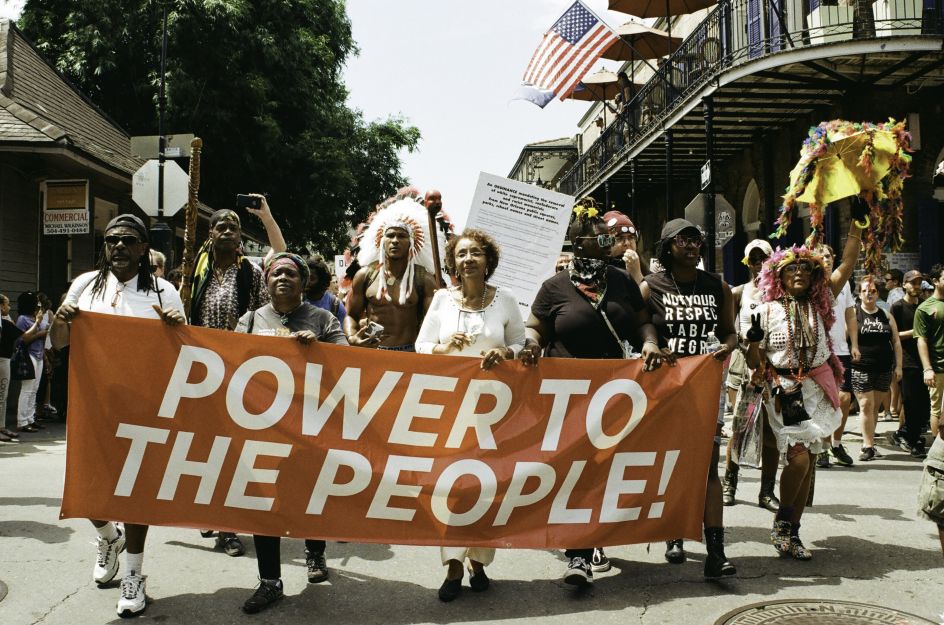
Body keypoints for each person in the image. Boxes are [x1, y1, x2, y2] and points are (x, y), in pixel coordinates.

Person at [517, 202, 661, 588]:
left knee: (603, 468)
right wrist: (531, 344)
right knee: (576, 470)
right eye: (595, 239)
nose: (603, 244)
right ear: (578, 243)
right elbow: (536, 327)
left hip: (613, 393)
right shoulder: (554, 287)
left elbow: (643, 323)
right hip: (566, 396)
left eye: (606, 238)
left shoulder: (621, 282)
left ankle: (592, 539)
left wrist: (649, 344)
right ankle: (579, 552)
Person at [50, 213, 186, 618]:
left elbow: (185, 354)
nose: (119, 247)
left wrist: (176, 329)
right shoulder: (84, 285)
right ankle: (109, 536)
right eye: (112, 240)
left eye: (128, 240)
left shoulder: (163, 291)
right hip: (93, 403)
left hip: (143, 406)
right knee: (86, 485)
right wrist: (60, 321)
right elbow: (59, 343)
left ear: (143, 248)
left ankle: (133, 574)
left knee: (136, 493)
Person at [415, 229, 526, 602]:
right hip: (449, 409)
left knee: (486, 486)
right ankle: (452, 565)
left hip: (495, 411)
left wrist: (506, 354)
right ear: (453, 263)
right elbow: (421, 346)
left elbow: (520, 343)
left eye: (475, 252)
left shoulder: (505, 299)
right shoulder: (442, 300)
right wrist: (444, 347)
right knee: (450, 486)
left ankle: (479, 560)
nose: (468, 259)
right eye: (461, 254)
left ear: (487, 260)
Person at [234, 253, 348, 614]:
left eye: (291, 273)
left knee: (310, 494)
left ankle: (315, 552)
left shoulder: (323, 319)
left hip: (311, 426)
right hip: (263, 428)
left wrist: (320, 349)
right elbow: (229, 361)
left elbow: (350, 363)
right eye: (276, 273)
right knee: (263, 501)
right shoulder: (250, 320)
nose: (283, 278)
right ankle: (270, 581)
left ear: (304, 282)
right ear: (266, 281)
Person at [641, 218, 737, 579]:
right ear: (667, 247)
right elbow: (639, 326)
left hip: (704, 387)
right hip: (665, 390)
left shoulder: (717, 286)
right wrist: (652, 343)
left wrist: (725, 348)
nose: (693, 245)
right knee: (671, 464)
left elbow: (729, 333)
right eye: (683, 240)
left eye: (696, 240)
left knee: (708, 467)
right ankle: (673, 533)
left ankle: (716, 552)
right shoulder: (651, 286)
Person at [188, 198, 284, 557]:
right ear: (210, 233)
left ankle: (228, 528)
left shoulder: (251, 273)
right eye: (221, 226)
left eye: (233, 227)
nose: (228, 231)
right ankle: (210, 512)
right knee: (207, 448)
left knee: (234, 450)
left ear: (240, 236)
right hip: (202, 372)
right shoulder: (194, 271)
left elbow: (264, 316)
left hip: (240, 373)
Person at [744, 246, 846, 561]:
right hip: (785, 389)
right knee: (799, 460)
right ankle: (782, 522)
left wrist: (858, 229)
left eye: (805, 269)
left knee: (810, 463)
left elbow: (847, 265)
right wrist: (753, 342)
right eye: (791, 269)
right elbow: (754, 362)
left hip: (818, 387)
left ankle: (794, 532)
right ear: (779, 276)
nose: (799, 273)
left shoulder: (821, 302)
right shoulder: (765, 309)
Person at [722, 239, 781, 512]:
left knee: (771, 432)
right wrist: (746, 348)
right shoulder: (739, 292)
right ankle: (729, 484)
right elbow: (728, 331)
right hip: (744, 366)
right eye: (754, 259)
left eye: (763, 259)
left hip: (775, 366)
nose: (759, 264)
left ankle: (766, 491)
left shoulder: (780, 293)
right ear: (747, 263)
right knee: (740, 426)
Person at [345, 199, 438, 351]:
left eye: (402, 236)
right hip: (373, 352)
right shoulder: (365, 275)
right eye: (390, 235)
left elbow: (435, 323)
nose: (395, 241)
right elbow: (351, 316)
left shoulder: (424, 279)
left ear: (411, 242)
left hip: (410, 353)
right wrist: (352, 337)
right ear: (382, 240)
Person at [851, 276, 903, 462]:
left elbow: (896, 342)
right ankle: (867, 446)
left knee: (874, 408)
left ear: (878, 293)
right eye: (865, 290)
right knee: (866, 405)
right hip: (861, 367)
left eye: (872, 291)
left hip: (883, 368)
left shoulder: (886, 315)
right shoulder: (854, 314)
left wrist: (899, 366)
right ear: (859, 294)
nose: (869, 294)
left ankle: (870, 443)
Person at [890, 270, 930, 458]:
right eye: (913, 283)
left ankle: (904, 433)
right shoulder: (897, 307)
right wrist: (915, 332)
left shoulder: (923, 305)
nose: (916, 286)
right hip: (906, 361)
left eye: (919, 283)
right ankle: (914, 441)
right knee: (911, 402)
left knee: (923, 404)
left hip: (925, 361)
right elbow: (893, 335)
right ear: (904, 285)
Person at [916, 263, 944, 439]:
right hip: (938, 367)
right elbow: (921, 340)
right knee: (937, 409)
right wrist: (927, 368)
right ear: (936, 281)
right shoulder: (925, 308)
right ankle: (938, 448)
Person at [14, 291, 48, 433]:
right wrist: (39, 328)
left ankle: (30, 419)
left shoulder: (35, 316)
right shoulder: (22, 319)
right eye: (35, 301)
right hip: (29, 356)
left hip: (39, 355)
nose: (38, 304)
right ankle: (22, 421)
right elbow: (23, 340)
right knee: (27, 389)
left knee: (34, 389)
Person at [0, 293, 22, 441]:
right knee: (1, 395)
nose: (9, 307)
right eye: (7, 304)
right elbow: (22, 336)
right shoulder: (4, 323)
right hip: (2, 360)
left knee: (3, 396)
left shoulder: (5, 321)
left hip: (5, 359)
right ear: (1, 306)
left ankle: (1, 426)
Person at [603, 210, 647, 283]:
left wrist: (637, 275)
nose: (627, 243)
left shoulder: (648, 274)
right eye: (619, 238)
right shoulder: (601, 275)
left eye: (631, 237)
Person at [305, 255, 347, 325]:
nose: (307, 282)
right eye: (306, 277)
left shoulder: (335, 305)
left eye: (312, 278)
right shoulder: (295, 302)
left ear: (322, 281)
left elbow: (342, 330)